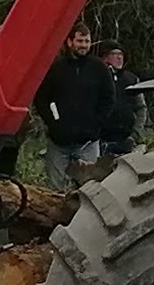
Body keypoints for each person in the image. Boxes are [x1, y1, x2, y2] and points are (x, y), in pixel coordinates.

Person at [35, 24, 126, 189]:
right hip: (59, 143)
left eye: (87, 41)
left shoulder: (99, 68)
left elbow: (108, 99)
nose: (84, 45)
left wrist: (96, 122)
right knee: (56, 189)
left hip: (88, 142)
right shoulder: (56, 68)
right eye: (80, 41)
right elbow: (41, 99)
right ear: (70, 42)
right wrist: (53, 122)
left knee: (90, 188)